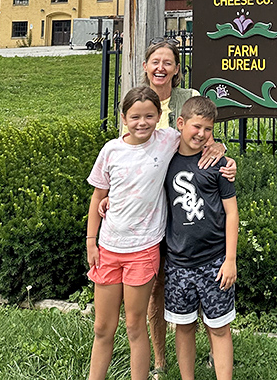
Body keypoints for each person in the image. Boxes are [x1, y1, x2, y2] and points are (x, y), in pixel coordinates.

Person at [85, 85, 227, 380]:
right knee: (102, 327)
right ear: (123, 118)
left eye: (150, 116)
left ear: (160, 117)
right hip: (109, 248)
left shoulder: (166, 141)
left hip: (143, 249)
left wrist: (220, 147)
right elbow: (99, 196)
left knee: (135, 325)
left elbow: (198, 133)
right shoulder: (111, 151)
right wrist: (91, 241)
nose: (142, 122)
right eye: (135, 116)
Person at [141, 37, 237, 377]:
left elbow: (205, 130)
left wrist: (221, 150)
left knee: (208, 309)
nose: (161, 68)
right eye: (156, 62)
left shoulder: (188, 100)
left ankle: (213, 356)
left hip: (195, 223)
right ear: (145, 66)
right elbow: (127, 147)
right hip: (156, 209)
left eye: (168, 62)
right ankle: (160, 360)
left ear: (177, 68)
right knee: (158, 291)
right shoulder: (139, 100)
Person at [163, 96, 238, 380]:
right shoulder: (165, 161)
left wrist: (230, 259)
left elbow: (232, 213)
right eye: (196, 127)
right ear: (181, 124)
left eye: (208, 129)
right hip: (178, 262)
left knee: (219, 328)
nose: (201, 134)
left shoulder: (217, 164)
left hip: (215, 261)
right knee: (184, 327)